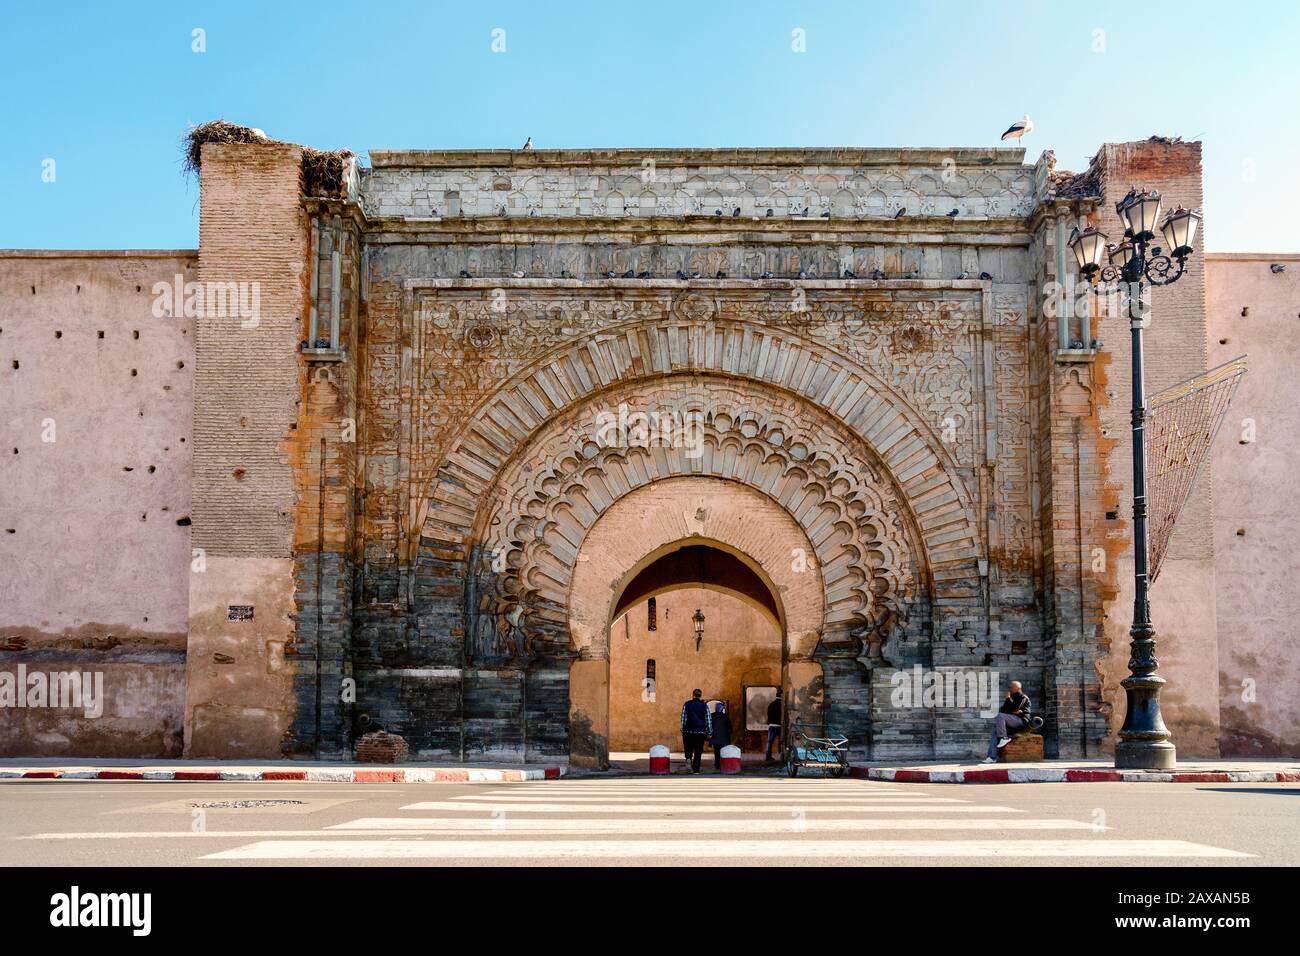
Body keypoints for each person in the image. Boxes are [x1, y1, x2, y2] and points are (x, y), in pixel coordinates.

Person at [983, 680, 1033, 763]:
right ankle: (992, 757)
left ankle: (1004, 737)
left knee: (1000, 716)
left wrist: (1010, 704)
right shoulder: (1011, 697)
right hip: (1012, 721)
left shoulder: (1023, 697)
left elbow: (1014, 708)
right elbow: (1003, 709)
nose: (1009, 689)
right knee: (995, 732)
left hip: (1021, 721)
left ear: (1017, 688)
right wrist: (1009, 703)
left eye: (1011, 687)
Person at [680, 688, 712, 774]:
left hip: (688, 731)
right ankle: (696, 770)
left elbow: (683, 719)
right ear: (700, 696)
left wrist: (683, 729)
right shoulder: (704, 705)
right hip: (700, 732)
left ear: (693, 695)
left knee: (688, 747)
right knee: (698, 751)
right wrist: (709, 732)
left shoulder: (687, 704)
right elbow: (708, 719)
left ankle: (688, 759)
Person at [709, 700, 732, 772]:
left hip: (715, 737)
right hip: (724, 737)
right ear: (722, 708)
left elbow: (710, 726)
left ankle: (717, 764)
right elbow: (729, 726)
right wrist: (731, 732)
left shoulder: (712, 715)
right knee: (723, 751)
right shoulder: (725, 716)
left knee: (716, 751)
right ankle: (722, 764)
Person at [764, 688, 782, 762]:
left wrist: (769, 722)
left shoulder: (771, 704)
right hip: (780, 726)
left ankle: (768, 757)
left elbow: (768, 714)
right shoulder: (782, 705)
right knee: (783, 741)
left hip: (772, 725)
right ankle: (783, 755)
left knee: (769, 742)